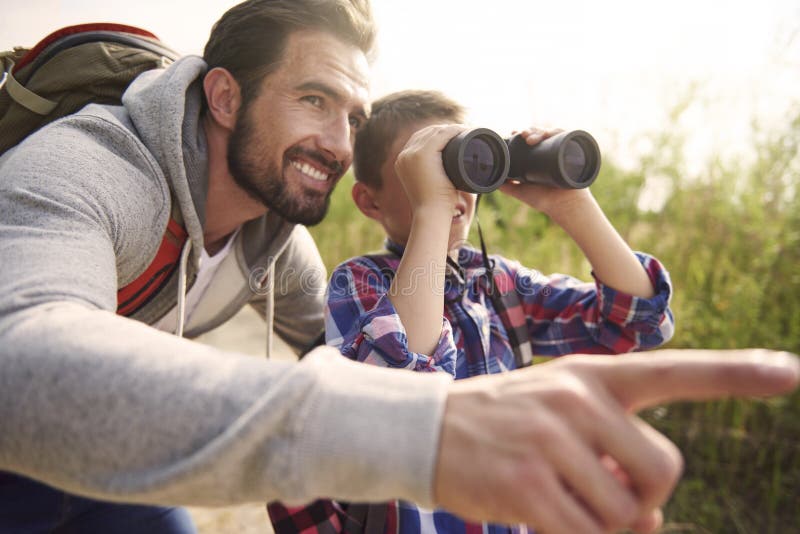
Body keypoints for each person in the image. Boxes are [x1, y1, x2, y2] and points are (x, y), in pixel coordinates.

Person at [0, 2, 797, 534]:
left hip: (98, 463)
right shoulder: (92, 169)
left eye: (353, 116)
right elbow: (18, 360)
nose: (341, 144)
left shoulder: (279, 248)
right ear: (224, 97)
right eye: (313, 100)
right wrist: (432, 428)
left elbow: (349, 360)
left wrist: (563, 202)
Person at [267, 89, 675, 533]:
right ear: (370, 202)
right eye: (424, 173)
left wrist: (570, 203)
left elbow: (635, 321)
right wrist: (432, 210)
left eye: (463, 164)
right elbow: (401, 382)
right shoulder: (360, 281)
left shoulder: (499, 282)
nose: (451, 190)